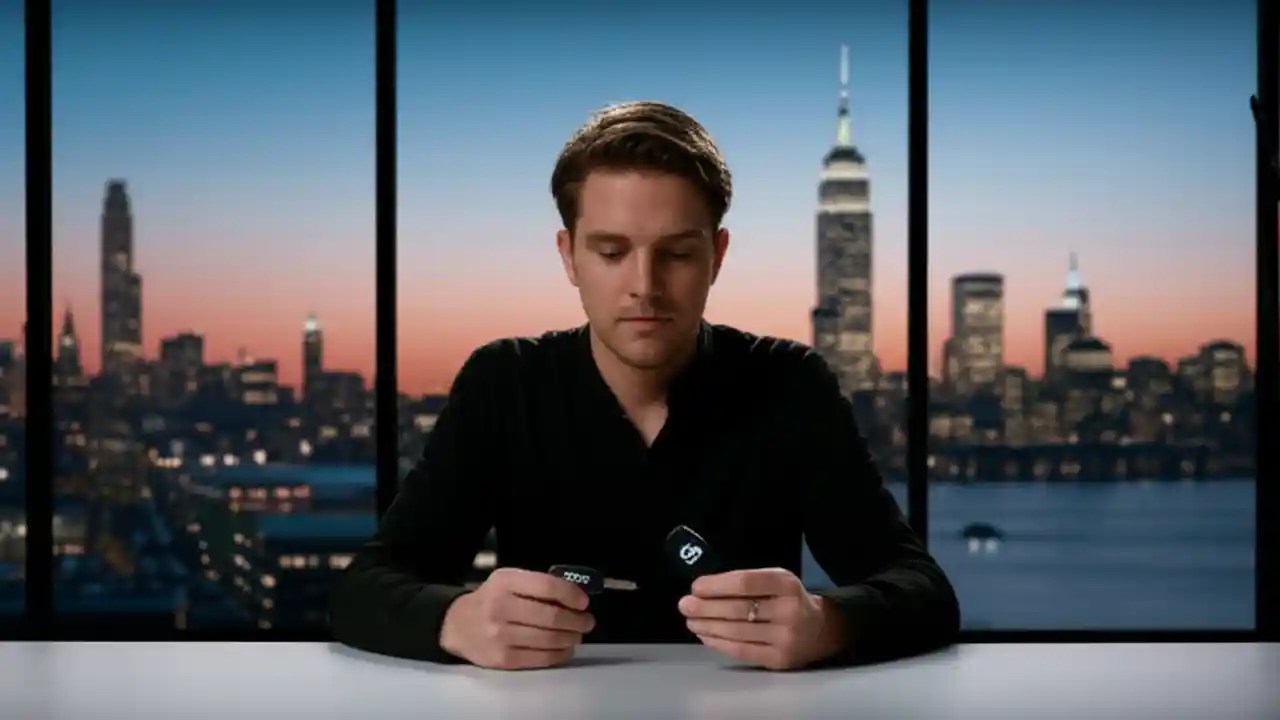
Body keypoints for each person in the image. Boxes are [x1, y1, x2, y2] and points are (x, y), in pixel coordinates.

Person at [328, 100, 960, 671]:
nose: (645, 286)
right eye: (611, 252)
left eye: (677, 254)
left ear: (718, 254)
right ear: (568, 256)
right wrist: (455, 621)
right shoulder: (506, 383)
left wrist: (829, 623)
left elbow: (921, 589)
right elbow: (364, 587)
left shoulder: (788, 383)